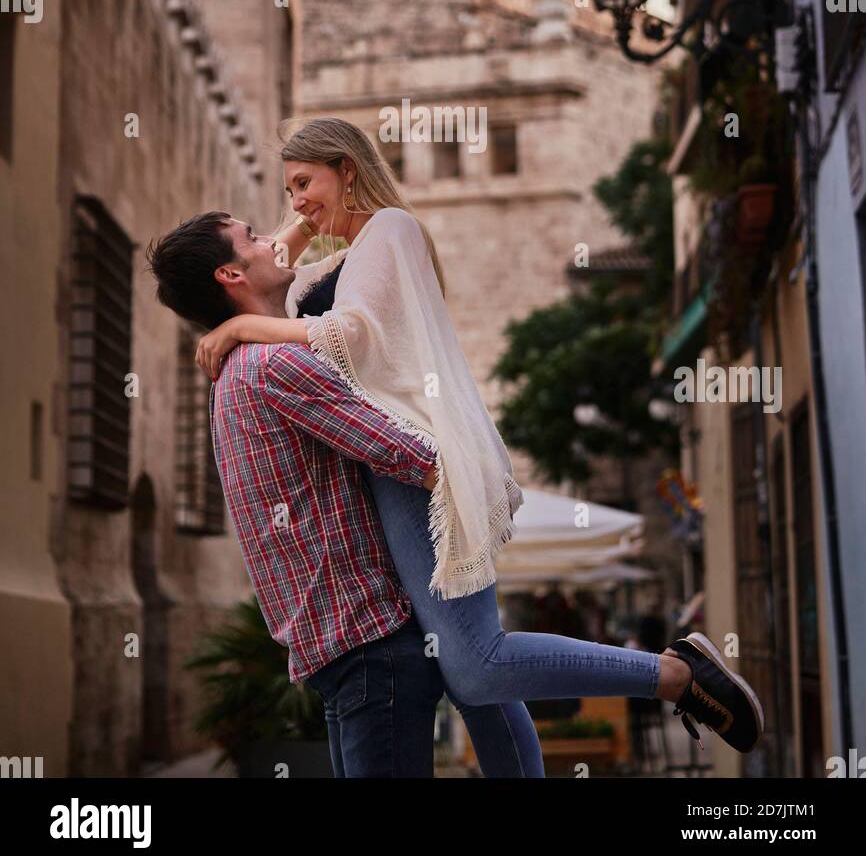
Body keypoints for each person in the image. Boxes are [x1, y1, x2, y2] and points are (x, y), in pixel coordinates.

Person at [194, 117, 765, 764]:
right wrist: (307, 209)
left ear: (348, 168)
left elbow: (347, 335)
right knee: (471, 683)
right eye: (287, 190)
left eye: (303, 182)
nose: (292, 204)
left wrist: (239, 327)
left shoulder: (392, 231)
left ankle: (673, 674)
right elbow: (270, 266)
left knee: (478, 667)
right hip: (389, 474)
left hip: (419, 466)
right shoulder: (333, 264)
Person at [147, 212, 543, 778]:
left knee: (482, 677)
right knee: (482, 672)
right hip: (365, 642)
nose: (274, 240)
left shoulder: (238, 369)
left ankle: (669, 676)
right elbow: (410, 455)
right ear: (231, 275)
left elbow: (276, 251)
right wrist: (465, 473)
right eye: (253, 238)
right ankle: (670, 676)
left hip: (342, 648)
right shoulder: (275, 363)